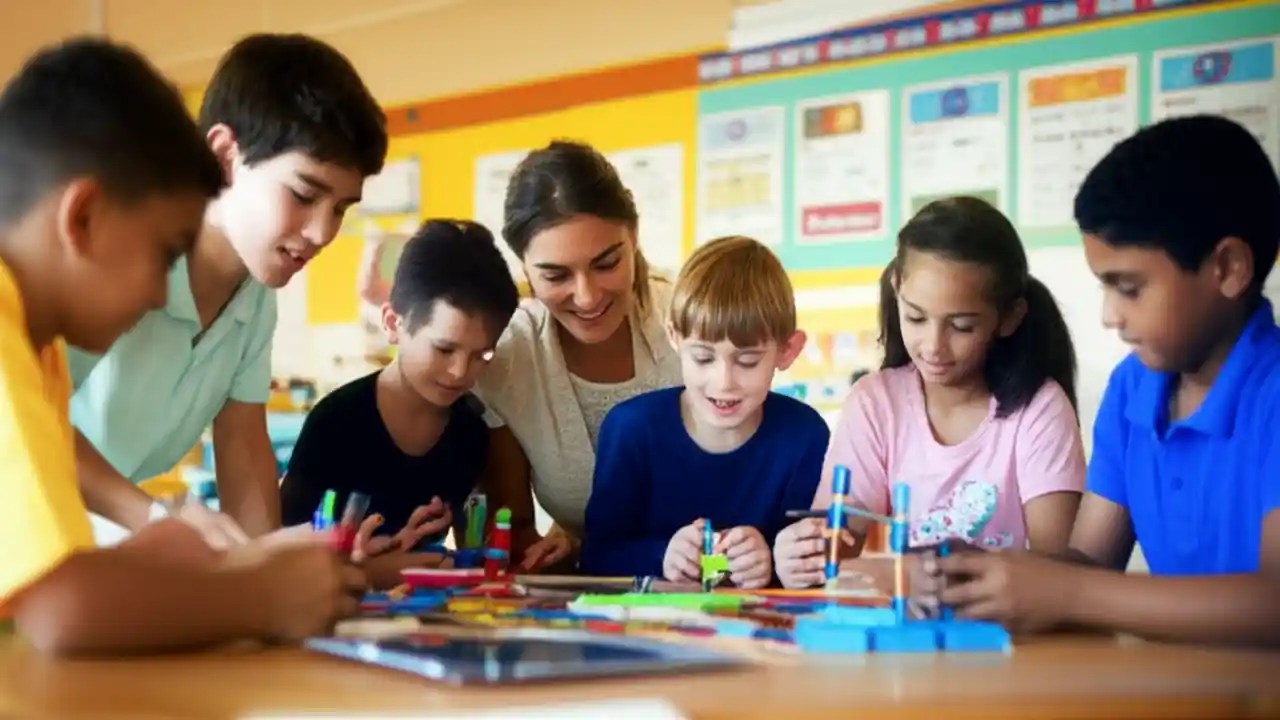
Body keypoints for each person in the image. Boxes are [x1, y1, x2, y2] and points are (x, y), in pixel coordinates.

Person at [0, 37, 363, 656]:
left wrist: (165, 556)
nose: (157, 297)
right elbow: (61, 611)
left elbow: (46, 587)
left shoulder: (38, 350)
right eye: (165, 254)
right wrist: (265, 598)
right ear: (82, 218)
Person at [934, 116, 1280, 646]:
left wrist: (1065, 591)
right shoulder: (1132, 391)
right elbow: (1091, 560)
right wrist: (994, 580)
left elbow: (1272, 604)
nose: (1110, 315)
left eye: (1130, 288)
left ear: (1228, 267)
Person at [69, 33, 388, 543]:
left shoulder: (255, 297)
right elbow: (22, 419)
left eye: (341, 209)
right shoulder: (111, 251)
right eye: (305, 194)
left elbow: (240, 442)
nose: (323, 233)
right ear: (224, 156)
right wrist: (153, 517)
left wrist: (264, 567)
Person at [774, 196, 1085, 591]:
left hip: (1006, 641)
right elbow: (838, 543)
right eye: (916, 317)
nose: (934, 346)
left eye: (961, 326)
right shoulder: (875, 402)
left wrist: (911, 575)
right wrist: (803, 553)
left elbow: (1057, 570)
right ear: (896, 291)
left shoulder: (1038, 409)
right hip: (897, 639)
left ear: (1009, 318)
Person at [473, 140, 681, 570]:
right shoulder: (509, 359)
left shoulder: (691, 321)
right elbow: (511, 539)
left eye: (607, 263)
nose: (586, 297)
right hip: (596, 592)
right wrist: (566, 553)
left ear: (634, 237)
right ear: (524, 268)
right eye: (555, 275)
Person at [279, 220, 519, 585]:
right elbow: (280, 555)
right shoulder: (337, 423)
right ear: (393, 323)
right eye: (444, 348)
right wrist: (370, 571)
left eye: (481, 356)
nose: (459, 372)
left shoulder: (470, 432)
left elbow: (475, 547)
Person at [580, 236, 827, 588]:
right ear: (674, 337)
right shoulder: (631, 429)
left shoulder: (804, 436)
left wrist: (771, 562)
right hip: (650, 636)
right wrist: (662, 555)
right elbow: (595, 558)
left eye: (747, 360)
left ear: (787, 351)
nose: (723, 382)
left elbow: (812, 562)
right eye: (703, 358)